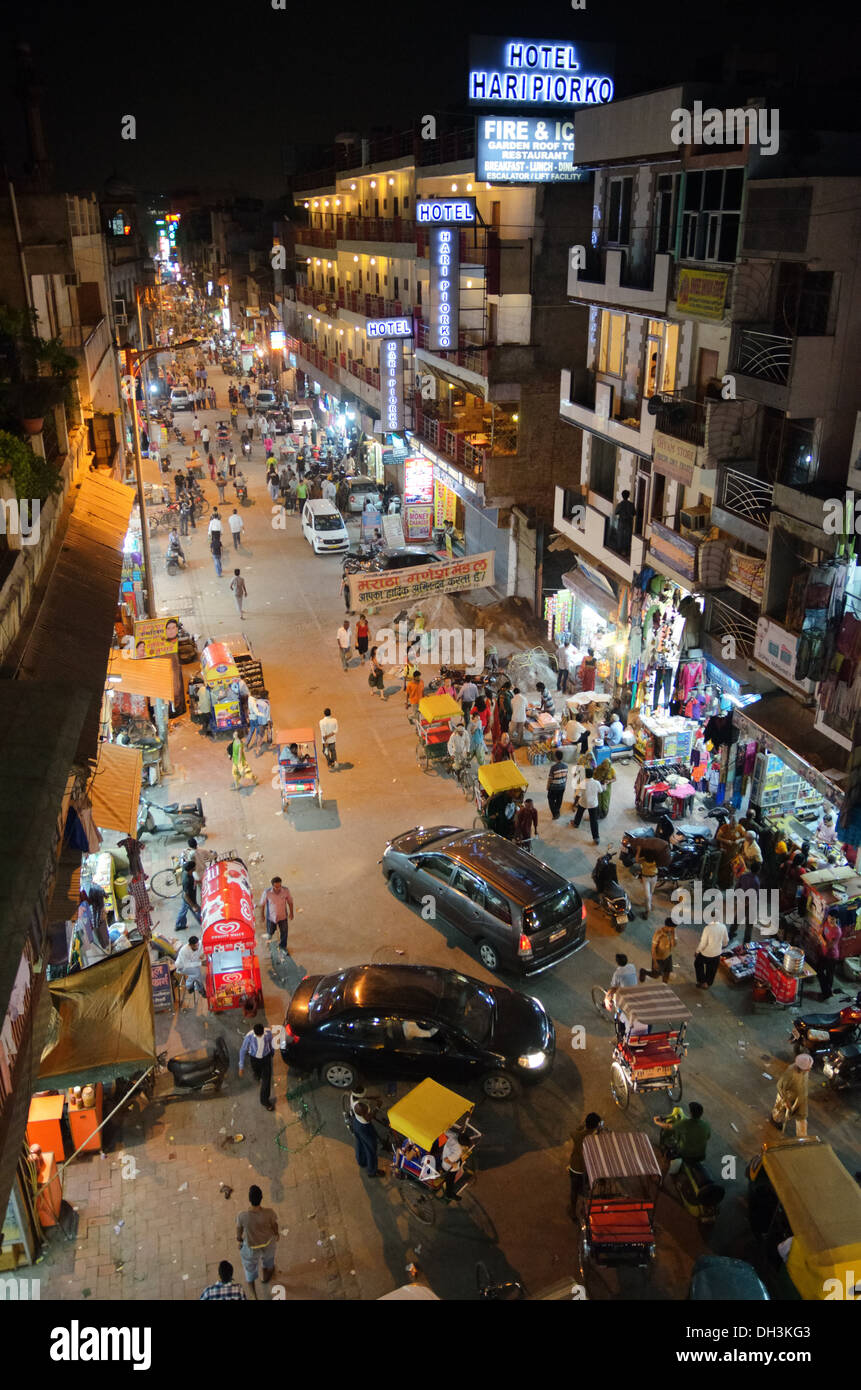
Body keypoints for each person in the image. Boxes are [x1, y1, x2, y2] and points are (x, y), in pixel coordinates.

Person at [235, 1186, 279, 1294]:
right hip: (268, 1244)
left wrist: (239, 1241)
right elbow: (274, 1225)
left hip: (251, 1248)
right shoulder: (269, 1212)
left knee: (249, 1268)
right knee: (269, 1261)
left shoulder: (242, 1216)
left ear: (249, 1200)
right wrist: (277, 1234)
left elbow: (239, 1232)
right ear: (261, 1198)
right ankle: (266, 1277)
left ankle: (254, 1294)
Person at [772, 1052, 813, 1138]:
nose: (809, 1069)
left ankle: (802, 1137)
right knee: (780, 1112)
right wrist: (786, 1101)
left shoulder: (805, 1071)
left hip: (801, 1096)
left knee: (802, 1116)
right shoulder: (790, 1072)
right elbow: (779, 1086)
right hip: (787, 1095)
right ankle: (776, 1120)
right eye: (807, 1068)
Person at [568, 1112, 603, 1208]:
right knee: (586, 1185)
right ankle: (584, 1194)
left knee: (574, 1190)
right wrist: (599, 1131)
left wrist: (581, 1126)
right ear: (595, 1126)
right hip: (587, 1168)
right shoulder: (595, 1138)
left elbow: (572, 1132)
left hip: (575, 1167)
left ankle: (572, 1210)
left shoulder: (578, 1136)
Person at [238, 1023, 276, 1111]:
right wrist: (241, 1066)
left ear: (263, 1031)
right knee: (257, 1073)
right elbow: (243, 1050)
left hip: (266, 1058)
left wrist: (272, 1052)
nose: (259, 1037)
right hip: (254, 1059)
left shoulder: (268, 1033)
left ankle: (265, 1101)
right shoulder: (249, 1036)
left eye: (261, 1035)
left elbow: (272, 1043)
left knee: (266, 1081)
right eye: (257, 1035)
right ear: (254, 1033)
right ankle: (257, 1075)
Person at [635, 835, 670, 918]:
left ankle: (647, 904)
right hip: (645, 878)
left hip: (654, 877)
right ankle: (647, 910)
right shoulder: (644, 860)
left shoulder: (655, 860)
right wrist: (639, 850)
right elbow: (636, 860)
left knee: (650, 893)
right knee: (648, 895)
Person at [350, 1088, 382, 1177]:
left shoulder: (353, 1096)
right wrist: (378, 1107)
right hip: (364, 1127)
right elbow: (368, 1118)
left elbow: (364, 1098)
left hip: (356, 1123)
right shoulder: (360, 1107)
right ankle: (372, 1172)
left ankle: (361, 1161)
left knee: (360, 1143)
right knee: (371, 1149)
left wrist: (373, 1097)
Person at [259, 875, 294, 952]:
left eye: (279, 886)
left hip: (283, 916)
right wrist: (262, 915)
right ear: (272, 885)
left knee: (284, 933)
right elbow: (262, 904)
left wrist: (291, 913)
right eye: (276, 887)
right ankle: (270, 945)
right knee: (270, 933)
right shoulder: (267, 892)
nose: (278, 888)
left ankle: (283, 946)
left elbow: (290, 902)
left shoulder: (286, 891)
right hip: (271, 917)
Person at [694, 918, 729, 988]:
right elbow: (726, 941)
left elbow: (703, 943)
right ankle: (707, 983)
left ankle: (702, 981)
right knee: (712, 969)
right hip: (717, 953)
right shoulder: (723, 927)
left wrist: (697, 951)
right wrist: (722, 946)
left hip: (706, 953)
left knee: (697, 963)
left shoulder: (707, 928)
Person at [571, 770, 602, 845]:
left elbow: (578, 795)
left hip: (584, 802)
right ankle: (596, 838)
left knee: (579, 813)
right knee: (593, 820)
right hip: (593, 804)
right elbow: (600, 791)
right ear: (592, 775)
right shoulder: (597, 782)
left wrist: (574, 804)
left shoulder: (582, 783)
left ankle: (576, 823)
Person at [640, 918, 677, 983]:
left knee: (666, 977)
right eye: (673, 928)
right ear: (668, 926)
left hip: (668, 957)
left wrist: (673, 936)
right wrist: (655, 962)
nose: (674, 929)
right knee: (655, 976)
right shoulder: (658, 934)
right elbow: (653, 949)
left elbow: (674, 945)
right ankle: (643, 971)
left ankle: (664, 989)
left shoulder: (672, 932)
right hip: (659, 959)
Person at [817, 912, 842, 1001]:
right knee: (819, 971)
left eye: (833, 919)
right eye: (830, 918)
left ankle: (826, 993)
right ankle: (827, 991)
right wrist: (821, 936)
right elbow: (821, 932)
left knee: (829, 975)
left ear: (836, 919)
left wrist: (820, 936)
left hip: (832, 956)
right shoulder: (826, 923)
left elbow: (828, 945)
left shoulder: (837, 931)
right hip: (824, 953)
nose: (831, 920)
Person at [174, 936, 206, 1003]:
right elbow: (186, 965)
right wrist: (200, 963)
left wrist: (202, 953)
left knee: (197, 973)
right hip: (182, 966)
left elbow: (203, 946)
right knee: (197, 973)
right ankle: (198, 989)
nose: (197, 948)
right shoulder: (184, 951)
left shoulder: (199, 943)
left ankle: (192, 986)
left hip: (193, 963)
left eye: (198, 945)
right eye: (195, 946)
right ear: (190, 945)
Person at [441, 1126, 468, 1201]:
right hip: (448, 1168)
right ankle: (449, 1194)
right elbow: (446, 1160)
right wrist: (453, 1164)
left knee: (460, 1162)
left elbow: (445, 1130)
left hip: (445, 1154)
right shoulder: (457, 1151)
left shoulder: (454, 1135)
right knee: (450, 1181)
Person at [175, 859, 201, 931]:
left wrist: (199, 881)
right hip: (189, 899)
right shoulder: (187, 880)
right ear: (191, 869)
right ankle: (203, 923)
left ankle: (179, 925)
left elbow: (194, 881)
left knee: (183, 911)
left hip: (188, 896)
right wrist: (193, 906)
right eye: (194, 868)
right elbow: (186, 895)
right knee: (198, 911)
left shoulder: (185, 871)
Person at [546, 749, 569, 820]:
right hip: (562, 786)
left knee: (550, 799)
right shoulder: (566, 766)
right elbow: (566, 777)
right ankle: (557, 810)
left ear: (556, 757)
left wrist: (548, 786)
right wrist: (564, 784)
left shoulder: (553, 767)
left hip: (554, 787)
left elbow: (550, 778)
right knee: (559, 799)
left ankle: (555, 813)